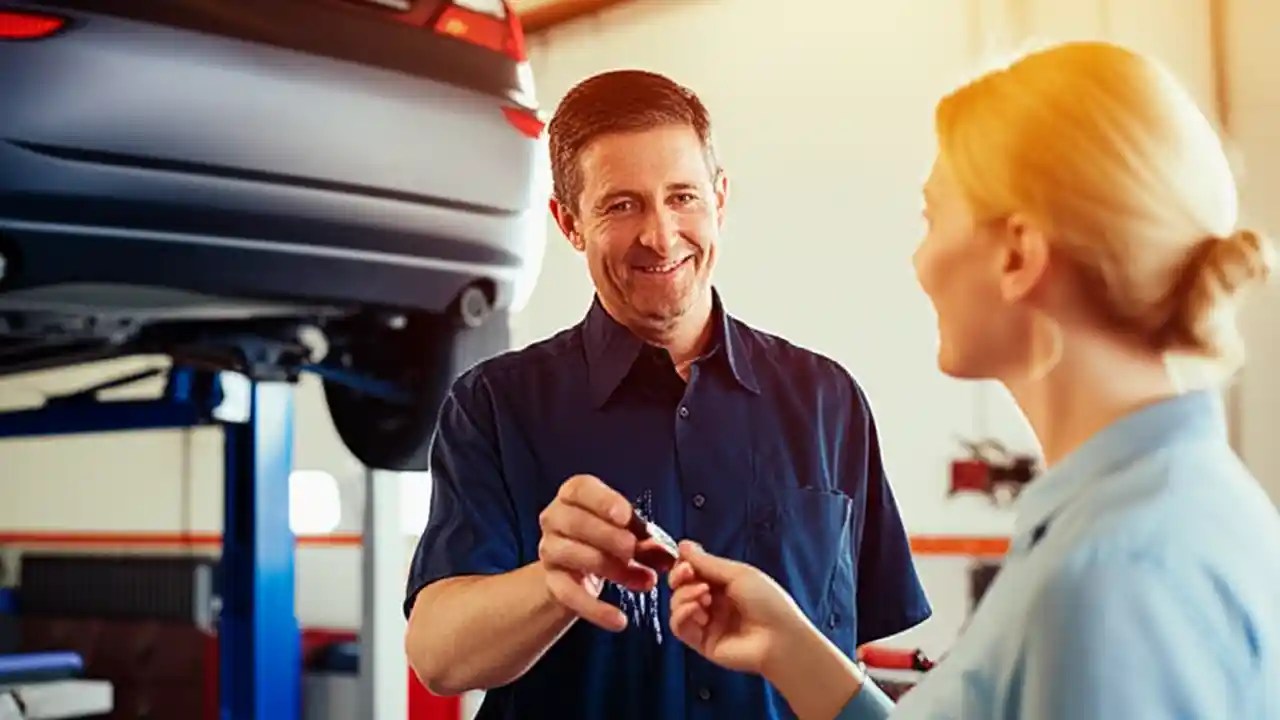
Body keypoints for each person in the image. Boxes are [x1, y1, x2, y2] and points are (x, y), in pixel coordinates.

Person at [669, 40, 1280, 720]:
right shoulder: (1161, 510)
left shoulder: (1111, 577)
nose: (920, 261)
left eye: (933, 218)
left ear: (1018, 254)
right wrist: (792, 651)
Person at [402, 69, 933, 719]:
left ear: (720, 199)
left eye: (682, 197)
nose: (660, 235)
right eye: (621, 205)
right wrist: (553, 584)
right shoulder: (495, 406)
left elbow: (850, 652)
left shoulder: (828, 401)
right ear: (569, 223)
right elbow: (438, 659)